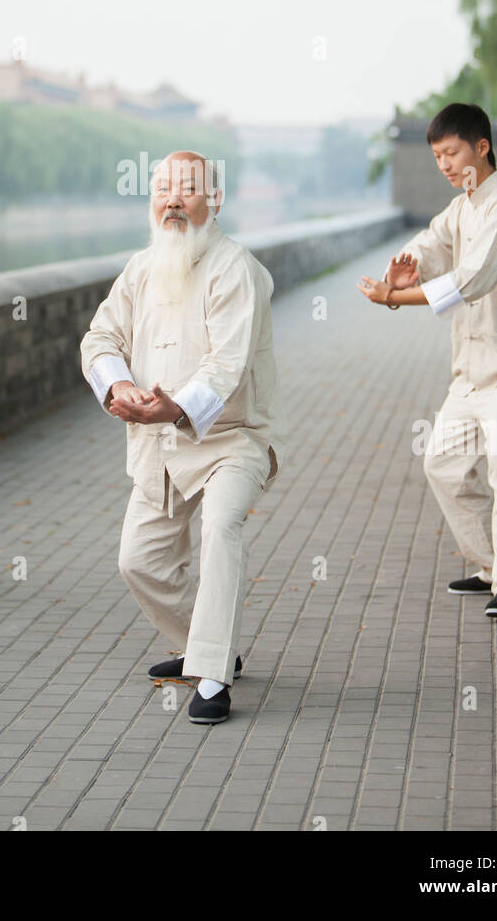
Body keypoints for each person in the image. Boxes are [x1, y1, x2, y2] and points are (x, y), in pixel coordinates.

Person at [80, 150, 284, 724]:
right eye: (163, 187)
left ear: (213, 201)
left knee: (221, 527)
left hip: (232, 437)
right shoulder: (141, 268)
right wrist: (120, 386)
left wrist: (174, 407)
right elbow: (99, 338)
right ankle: (205, 644)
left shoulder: (234, 268)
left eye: (188, 188)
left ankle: (214, 677)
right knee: (137, 561)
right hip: (160, 442)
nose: (173, 198)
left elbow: (228, 365)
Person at [357, 104, 497, 621]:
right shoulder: (462, 207)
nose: (444, 164)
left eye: (451, 153)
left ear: (481, 147)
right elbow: (433, 240)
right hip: (472, 373)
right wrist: (408, 266)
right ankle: (492, 566)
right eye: (437, 156)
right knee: (442, 463)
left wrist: (396, 299)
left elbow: (474, 279)